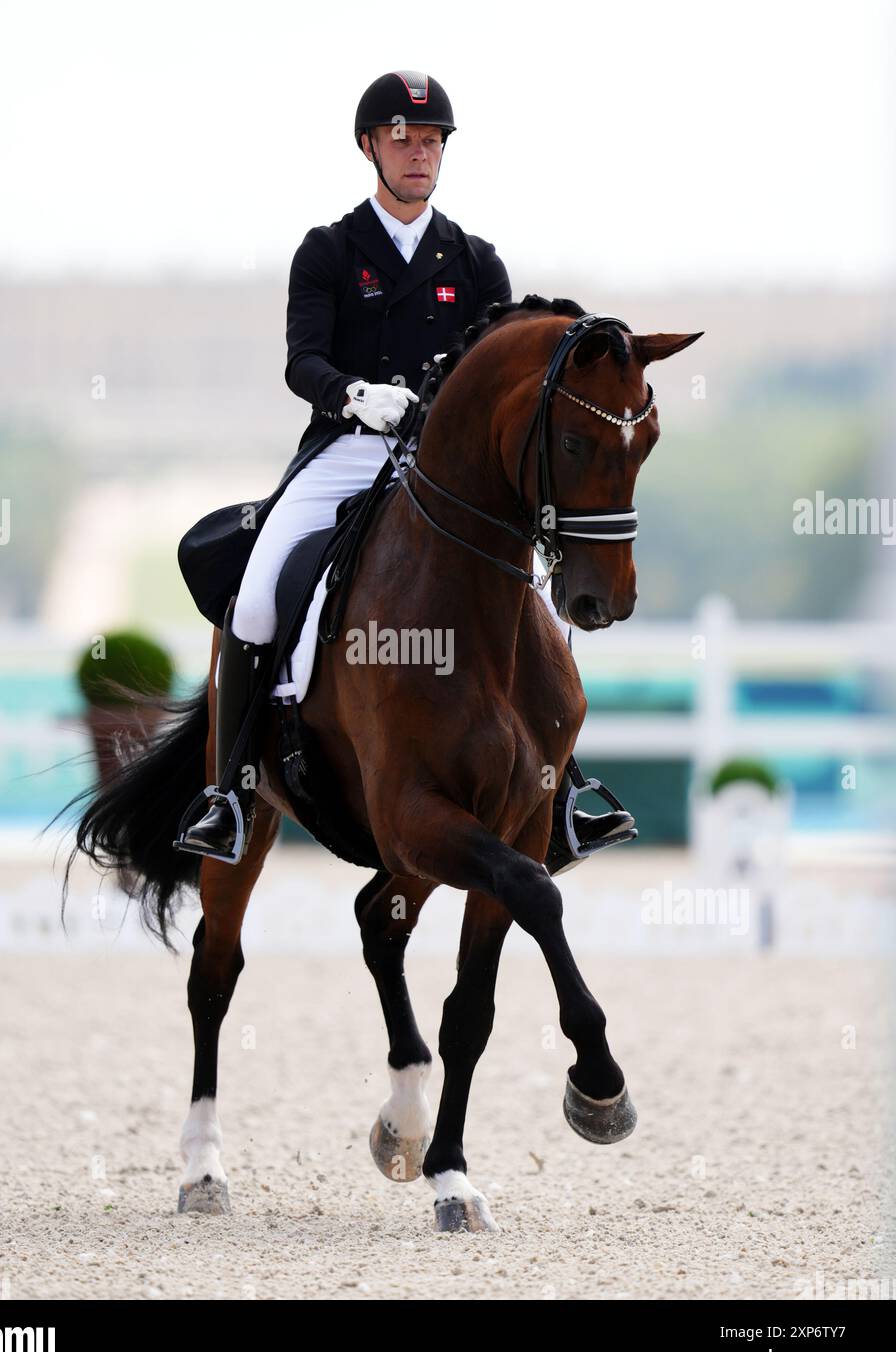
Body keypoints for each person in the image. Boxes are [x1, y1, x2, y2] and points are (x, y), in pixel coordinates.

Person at [179, 69, 634, 868]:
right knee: (253, 602)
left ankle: (561, 794)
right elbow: (301, 360)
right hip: (346, 448)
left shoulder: (475, 260)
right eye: (404, 139)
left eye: (431, 142)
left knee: (531, 602)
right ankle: (227, 796)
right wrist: (354, 394)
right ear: (371, 147)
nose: (419, 154)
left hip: (440, 465)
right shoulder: (329, 250)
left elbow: (511, 371)